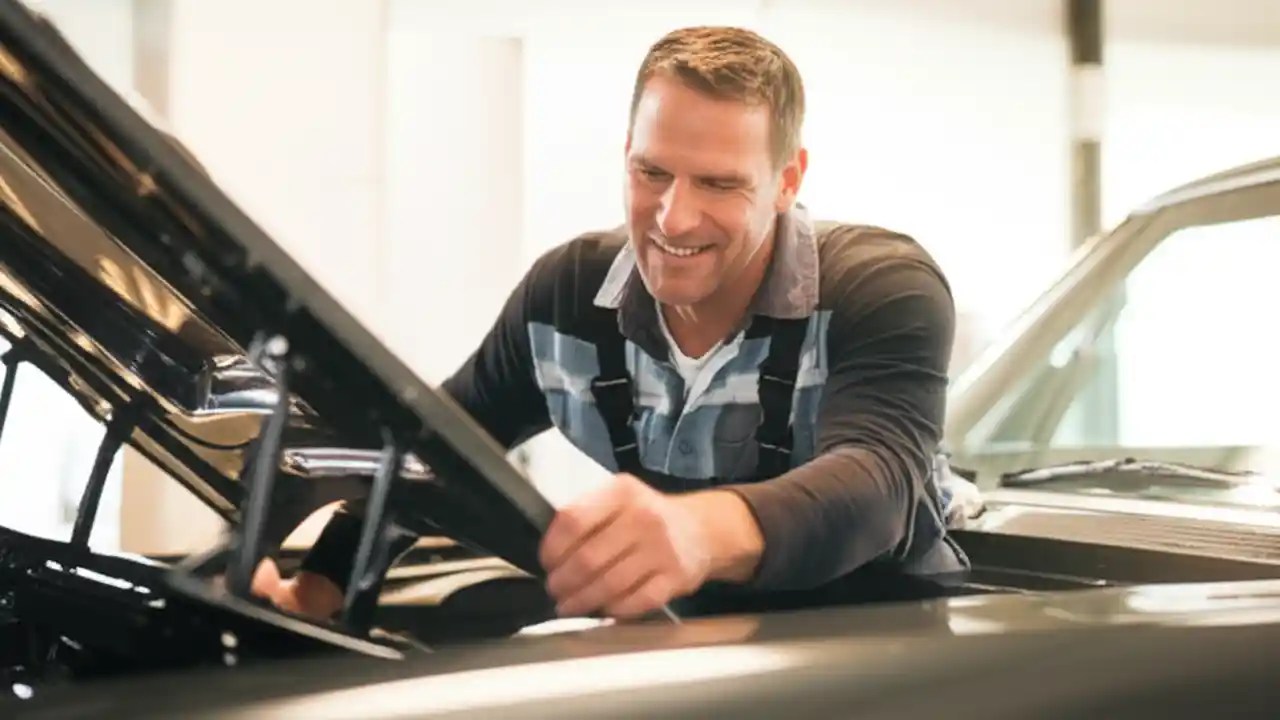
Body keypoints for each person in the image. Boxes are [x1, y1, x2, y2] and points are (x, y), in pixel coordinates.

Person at [252, 25, 968, 622]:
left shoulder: (881, 288)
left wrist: (696, 528)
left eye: (718, 183)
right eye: (652, 173)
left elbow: (876, 484)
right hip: (692, 645)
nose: (674, 218)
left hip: (885, 648)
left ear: (787, 181)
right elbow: (434, 453)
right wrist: (316, 590)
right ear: (626, 154)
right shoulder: (564, 300)